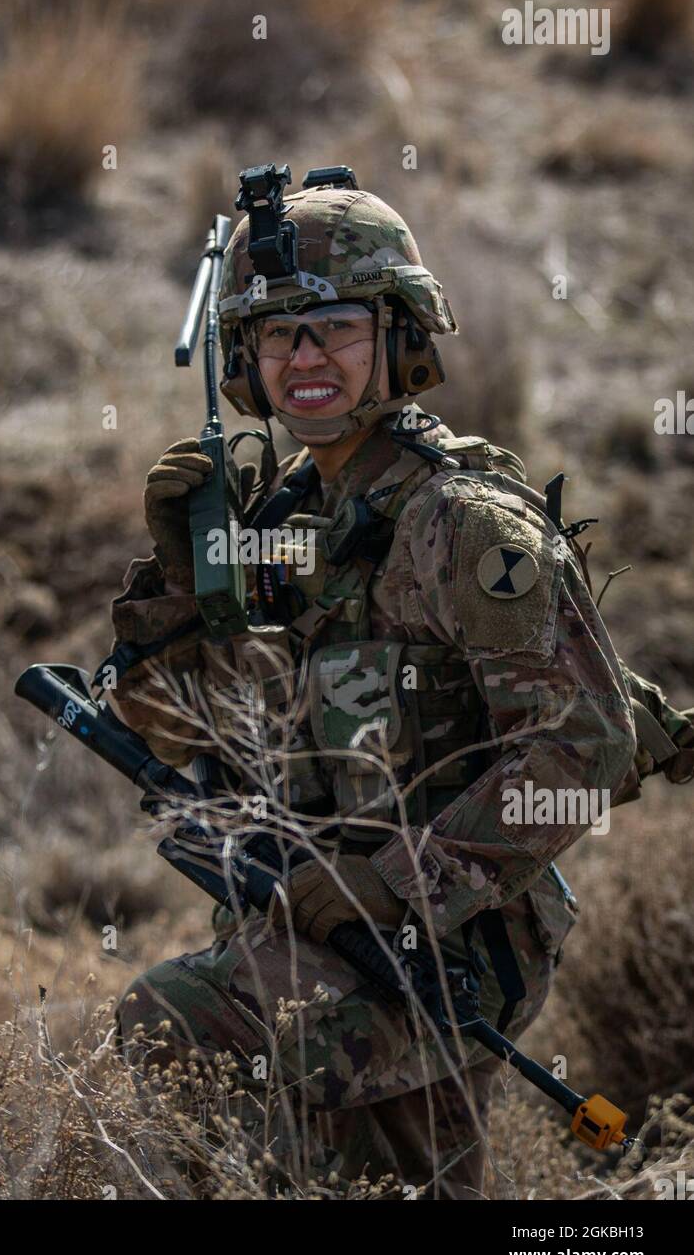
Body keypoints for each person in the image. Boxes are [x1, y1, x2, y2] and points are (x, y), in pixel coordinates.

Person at [108, 173, 694, 1198]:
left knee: (178, 1021)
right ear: (243, 359)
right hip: (312, 920)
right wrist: (174, 584)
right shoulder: (278, 517)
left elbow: (580, 750)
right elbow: (174, 743)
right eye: (275, 334)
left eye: (331, 326)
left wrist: (388, 886)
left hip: (448, 937)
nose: (304, 358)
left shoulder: (460, 522)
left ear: (398, 337)